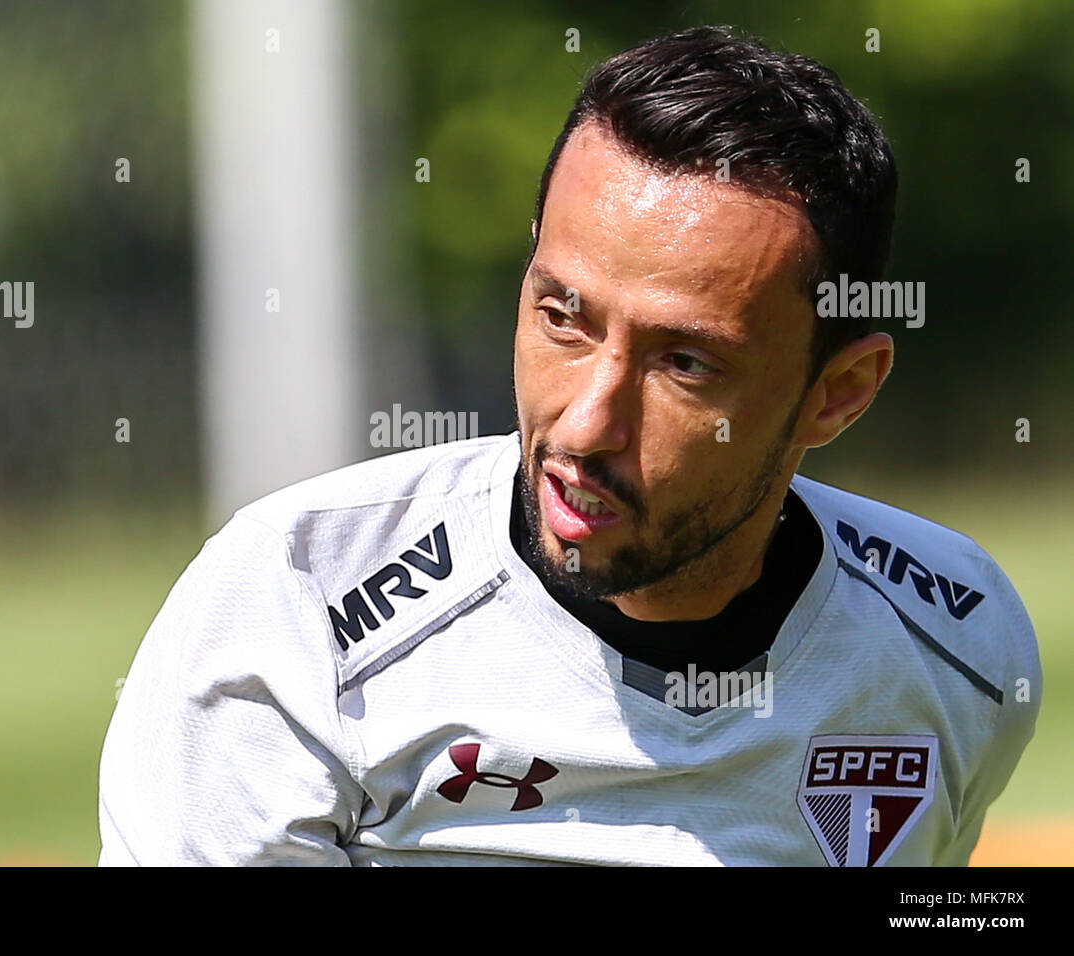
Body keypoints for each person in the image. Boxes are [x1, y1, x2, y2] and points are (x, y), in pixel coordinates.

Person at [98, 25, 1040, 866]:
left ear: (836, 396)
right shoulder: (294, 609)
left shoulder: (953, 647)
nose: (585, 424)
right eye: (563, 316)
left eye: (683, 363)